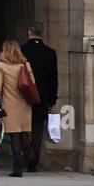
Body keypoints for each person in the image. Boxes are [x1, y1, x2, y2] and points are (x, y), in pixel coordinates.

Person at [0, 40, 34, 177]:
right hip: (25, 104)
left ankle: (17, 167)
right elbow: (33, 83)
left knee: (14, 135)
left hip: (9, 103)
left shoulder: (1, 65)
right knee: (24, 132)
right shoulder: (25, 64)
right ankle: (29, 154)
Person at [21, 23, 58, 172]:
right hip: (42, 95)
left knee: (23, 126)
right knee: (37, 127)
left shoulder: (22, 50)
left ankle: (27, 152)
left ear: (29, 32)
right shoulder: (50, 52)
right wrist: (52, 99)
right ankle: (33, 159)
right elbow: (53, 78)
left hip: (23, 94)